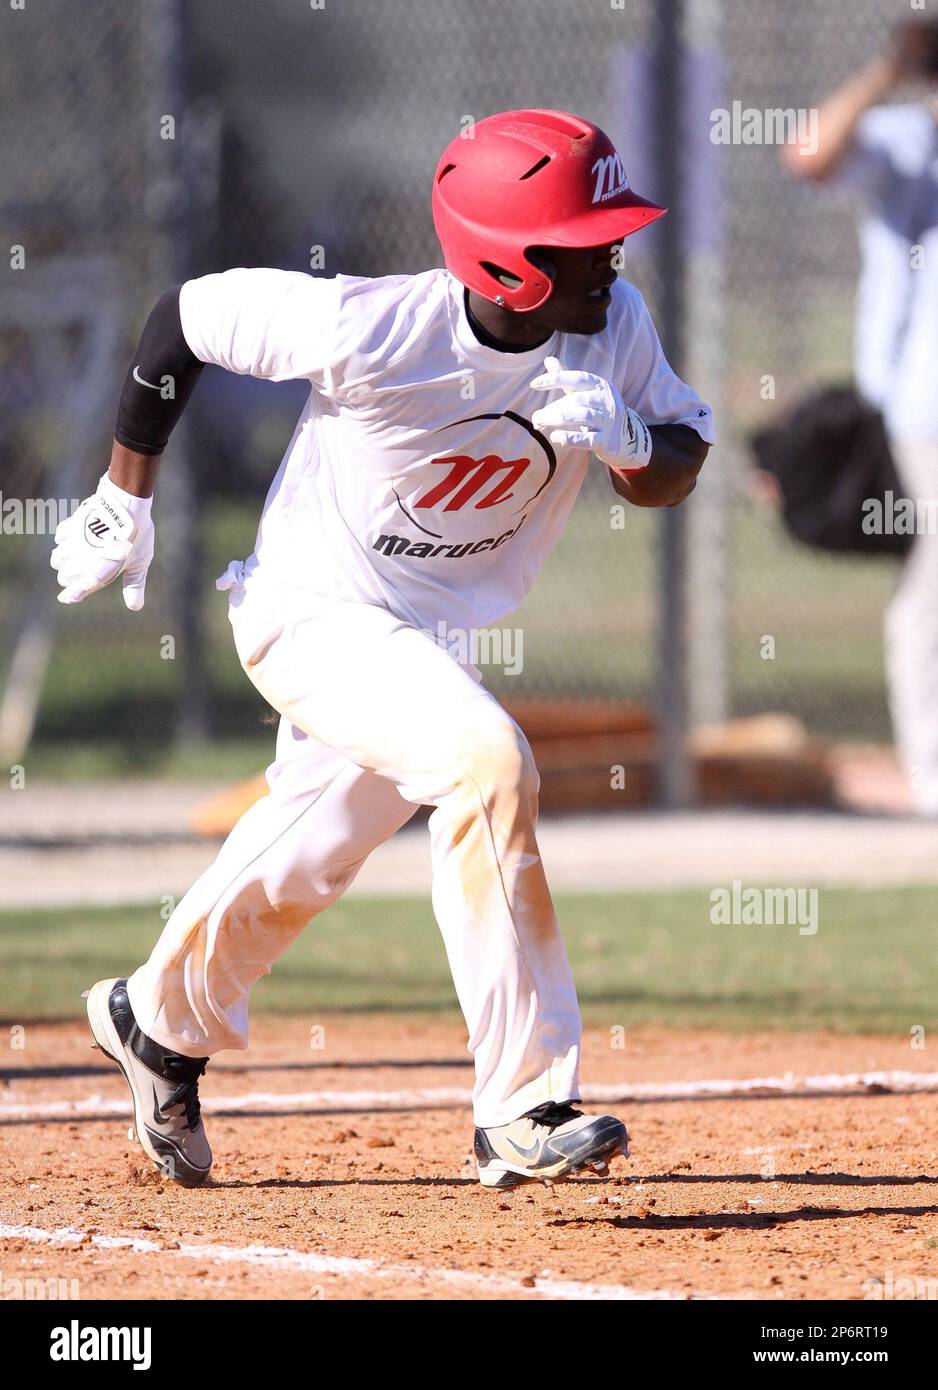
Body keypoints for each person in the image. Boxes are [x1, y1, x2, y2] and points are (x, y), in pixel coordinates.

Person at [51, 109, 712, 1190]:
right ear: (505, 263)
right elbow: (183, 318)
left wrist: (633, 442)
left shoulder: (611, 322)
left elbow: (678, 460)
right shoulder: (372, 329)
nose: (613, 254)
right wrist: (124, 497)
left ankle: (155, 1018)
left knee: (307, 857)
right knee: (487, 763)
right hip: (307, 611)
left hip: (424, 635)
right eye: (584, 240)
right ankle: (521, 1104)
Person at [783, 22, 938, 815]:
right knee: (933, 585)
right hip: (926, 408)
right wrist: (894, 69)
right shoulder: (908, 140)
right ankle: (932, 770)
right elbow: (808, 154)